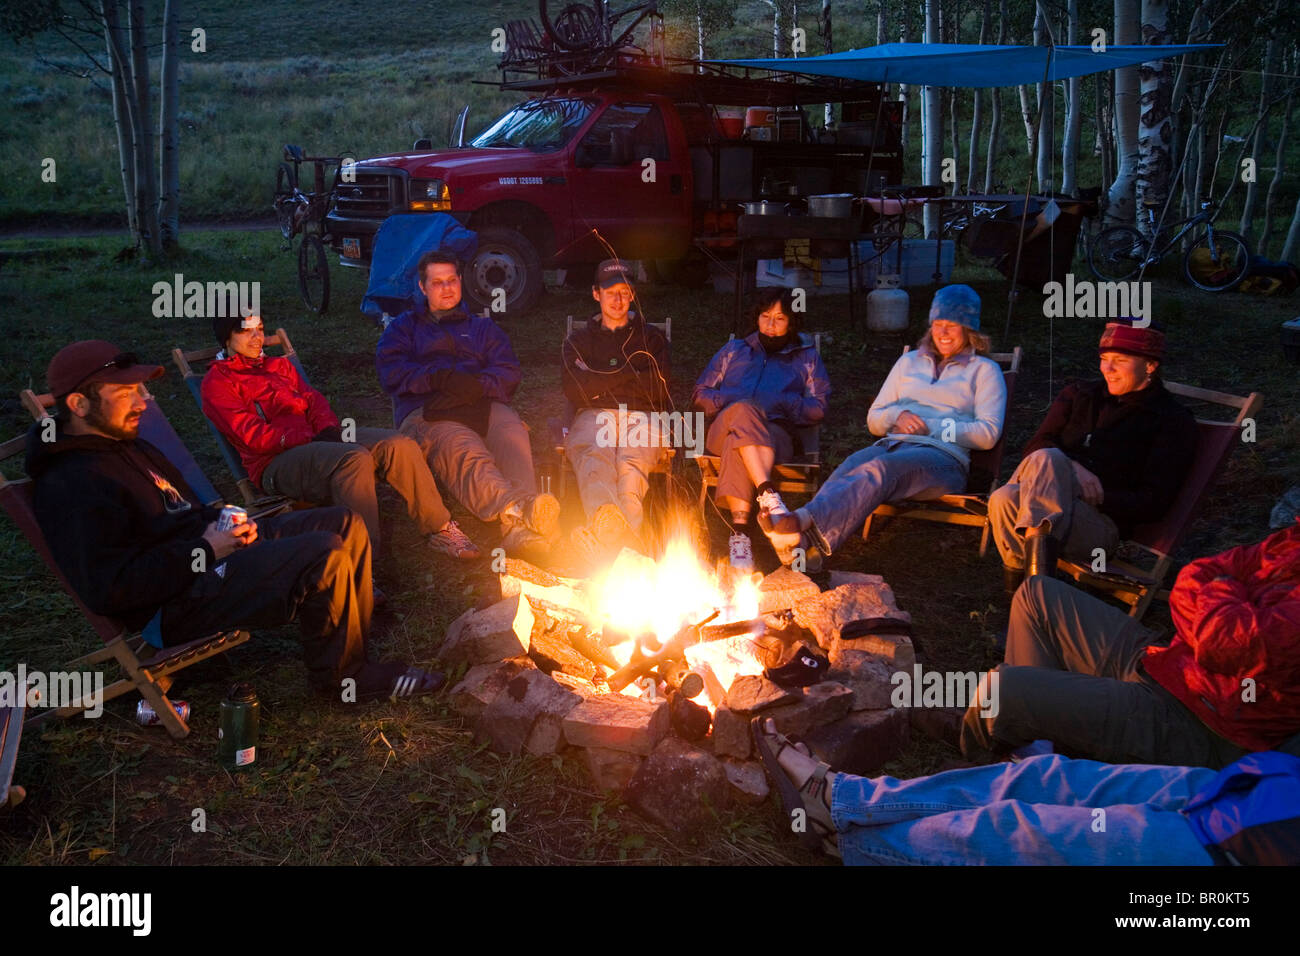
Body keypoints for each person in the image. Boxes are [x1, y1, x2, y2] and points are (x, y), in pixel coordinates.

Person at [26, 341, 441, 701]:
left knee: (342, 523)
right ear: (79, 405)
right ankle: (343, 678)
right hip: (172, 605)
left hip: (206, 560)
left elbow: (184, 511)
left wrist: (225, 521)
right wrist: (206, 550)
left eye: (140, 390)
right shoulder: (71, 483)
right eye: (125, 393)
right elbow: (111, 588)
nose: (141, 402)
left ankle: (352, 633)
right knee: (323, 553)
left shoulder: (126, 445)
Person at [959, 520, 1300, 769]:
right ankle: (1034, 754)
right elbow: (1196, 575)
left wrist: (1221, 590)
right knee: (1036, 594)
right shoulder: (1291, 541)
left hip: (1198, 725)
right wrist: (1218, 608)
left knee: (1000, 690)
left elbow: (1224, 640)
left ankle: (975, 764)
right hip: (1164, 663)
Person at [752, 718, 1300, 865]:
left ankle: (849, 843)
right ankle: (845, 799)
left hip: (1230, 866)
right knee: (1045, 777)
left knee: (1021, 832)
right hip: (1247, 791)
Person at [760, 284, 1006, 570]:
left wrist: (932, 427)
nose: (943, 333)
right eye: (938, 324)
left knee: (880, 470)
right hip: (892, 445)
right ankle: (803, 549)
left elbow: (988, 434)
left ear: (969, 330)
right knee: (854, 463)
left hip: (943, 459)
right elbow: (874, 419)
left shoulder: (985, 371)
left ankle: (802, 524)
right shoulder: (908, 362)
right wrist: (896, 417)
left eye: (953, 325)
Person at [200, 313, 479, 563]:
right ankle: (362, 559)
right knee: (353, 458)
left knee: (399, 445)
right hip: (275, 463)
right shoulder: (218, 382)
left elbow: (314, 400)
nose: (257, 337)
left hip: (316, 441)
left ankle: (440, 529)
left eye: (260, 329)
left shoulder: (278, 367)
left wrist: (327, 429)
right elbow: (252, 435)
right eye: (246, 331)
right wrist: (306, 437)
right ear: (227, 337)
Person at [989, 319, 1197, 591]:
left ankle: (1030, 590)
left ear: (1150, 365)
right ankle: (1034, 591)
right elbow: (1036, 446)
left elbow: (1154, 502)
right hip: (1045, 505)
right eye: (1104, 359)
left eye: (1119, 360)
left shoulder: (1171, 421)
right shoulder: (1079, 394)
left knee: (1016, 489)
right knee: (1022, 481)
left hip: (1099, 526)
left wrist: (1086, 493)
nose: (1107, 369)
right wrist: (1073, 471)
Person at [376, 251, 559, 556]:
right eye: (437, 283)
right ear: (422, 287)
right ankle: (518, 510)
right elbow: (391, 373)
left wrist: (477, 386)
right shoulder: (403, 329)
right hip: (430, 409)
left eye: (451, 280)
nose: (446, 288)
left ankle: (518, 531)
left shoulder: (481, 328)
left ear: (460, 281)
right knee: (465, 449)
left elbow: (508, 370)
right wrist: (437, 379)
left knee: (512, 431)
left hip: (479, 401)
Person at [693, 287, 830, 551]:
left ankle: (740, 534)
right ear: (757, 317)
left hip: (775, 432)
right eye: (765, 316)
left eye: (779, 319)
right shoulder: (734, 350)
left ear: (791, 322)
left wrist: (784, 402)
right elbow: (700, 393)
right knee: (743, 413)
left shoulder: (806, 358)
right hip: (725, 426)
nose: (770, 324)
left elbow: (819, 406)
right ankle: (767, 493)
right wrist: (735, 401)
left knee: (740, 443)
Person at [561, 259, 670, 561]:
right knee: (596, 460)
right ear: (596, 294)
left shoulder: (652, 338)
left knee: (630, 467)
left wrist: (596, 377)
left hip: (643, 415)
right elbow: (574, 389)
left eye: (625, 292)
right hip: (593, 415)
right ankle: (626, 548)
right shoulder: (578, 340)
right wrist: (631, 371)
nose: (618, 300)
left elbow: (659, 390)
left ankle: (609, 551)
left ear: (633, 295)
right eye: (610, 292)